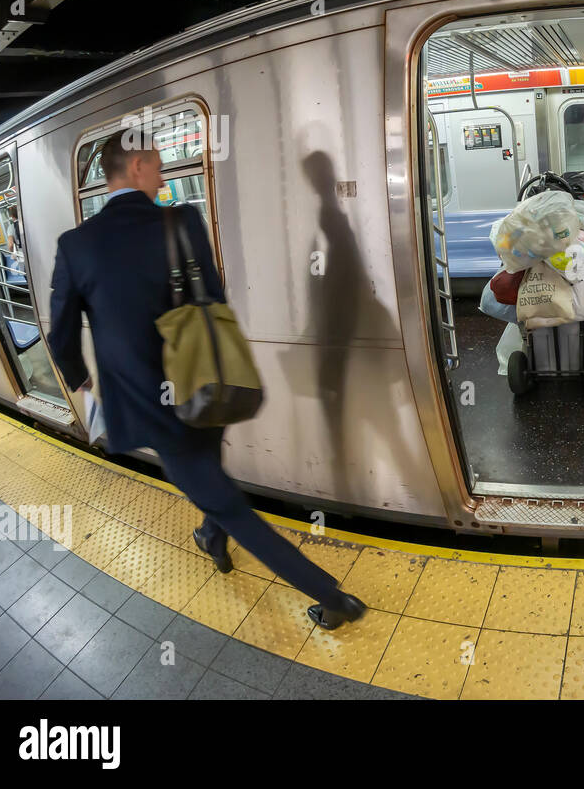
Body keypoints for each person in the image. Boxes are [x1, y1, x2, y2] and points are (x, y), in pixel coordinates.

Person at [47, 126, 366, 630]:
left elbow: (60, 335)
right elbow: (212, 298)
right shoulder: (183, 221)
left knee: (225, 501)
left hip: (147, 403)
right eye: (155, 164)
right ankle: (211, 538)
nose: (161, 173)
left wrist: (83, 387)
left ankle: (333, 598)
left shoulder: (76, 245)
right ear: (134, 168)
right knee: (209, 478)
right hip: (208, 383)